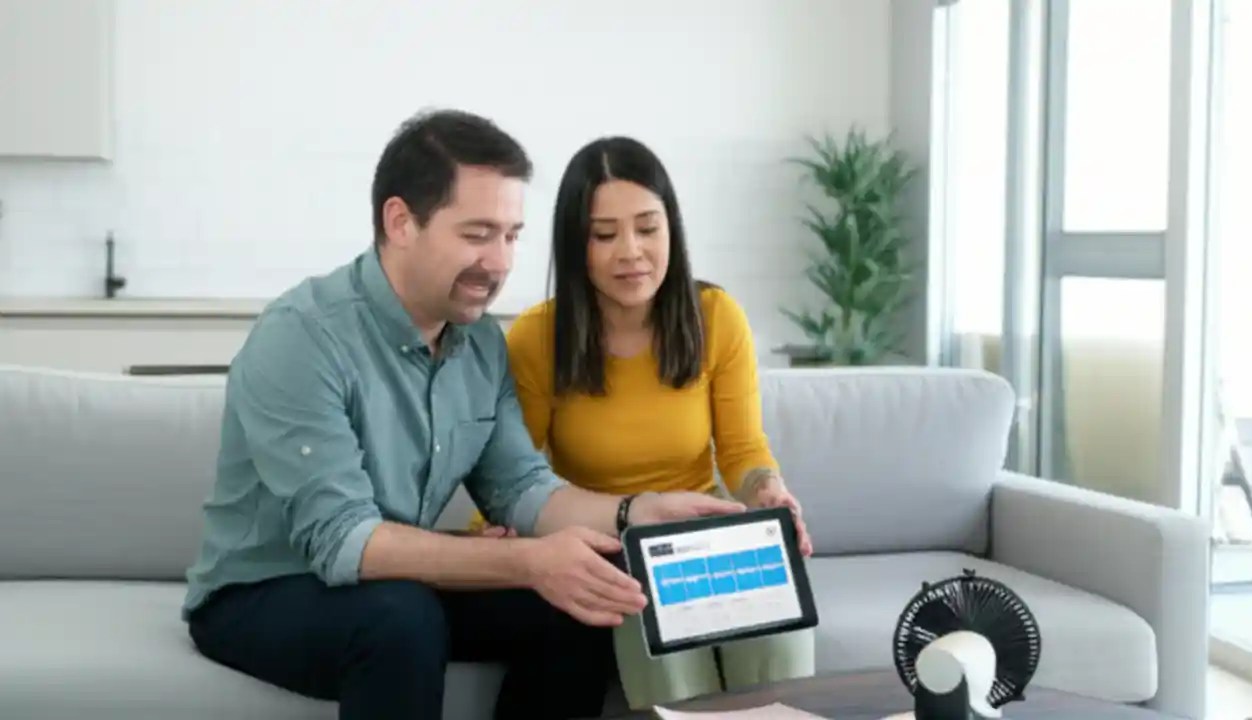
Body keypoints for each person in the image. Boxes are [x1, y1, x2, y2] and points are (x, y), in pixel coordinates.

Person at [181, 110, 745, 720]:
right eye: (478, 234)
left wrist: (636, 512)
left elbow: (521, 488)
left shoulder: (479, 343)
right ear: (401, 222)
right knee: (401, 619)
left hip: (395, 579)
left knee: (585, 596)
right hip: (264, 590)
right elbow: (342, 540)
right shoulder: (303, 335)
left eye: (511, 236)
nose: (499, 262)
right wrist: (526, 562)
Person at [469, 136, 817, 709]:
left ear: (671, 229)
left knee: (776, 620)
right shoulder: (538, 338)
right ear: (576, 245)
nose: (631, 251)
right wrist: (494, 534)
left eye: (648, 228)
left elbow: (742, 450)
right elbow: (513, 475)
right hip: (611, 542)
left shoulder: (716, 316)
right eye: (605, 235)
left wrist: (767, 490)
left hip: (706, 534)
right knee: (660, 628)